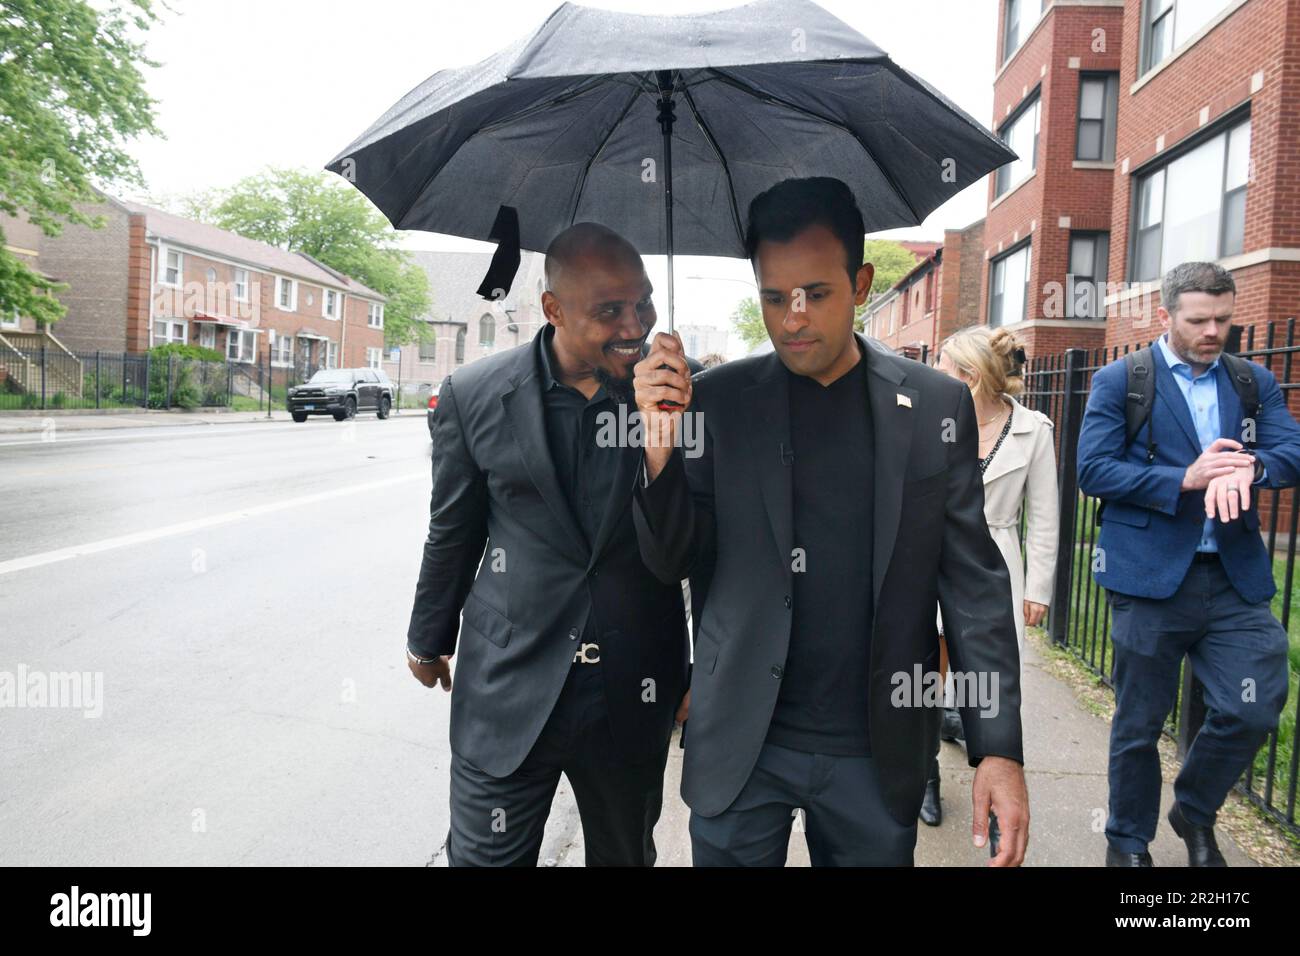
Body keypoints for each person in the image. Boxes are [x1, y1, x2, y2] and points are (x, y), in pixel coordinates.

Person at [632, 177, 1029, 866]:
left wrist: (998, 748)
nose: (793, 317)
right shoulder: (716, 403)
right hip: (743, 745)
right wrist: (659, 449)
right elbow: (669, 562)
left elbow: (973, 585)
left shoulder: (936, 405)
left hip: (875, 753)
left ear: (862, 282)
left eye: (816, 293)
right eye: (774, 296)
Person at [405, 222, 690, 866]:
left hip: (632, 690)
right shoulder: (473, 395)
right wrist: (428, 636)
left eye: (643, 302)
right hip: (508, 687)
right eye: (609, 310)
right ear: (553, 309)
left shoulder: (680, 391)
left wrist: (661, 441)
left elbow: (684, 557)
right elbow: (453, 531)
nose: (635, 324)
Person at [1077, 261, 1300, 867]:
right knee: (1140, 722)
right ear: (1166, 314)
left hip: (1232, 578)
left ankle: (1195, 809)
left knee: (1253, 705)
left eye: (1223, 320)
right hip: (1149, 579)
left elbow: (1290, 450)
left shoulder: (1252, 383)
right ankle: (1127, 841)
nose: (1212, 332)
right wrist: (1185, 478)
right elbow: (1093, 470)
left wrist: (1252, 468)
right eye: (1198, 320)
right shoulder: (1123, 380)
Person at [923, 326, 1059, 826]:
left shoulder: (1033, 429)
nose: (934, 370)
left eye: (943, 361)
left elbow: (1044, 517)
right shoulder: (930, 419)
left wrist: (1038, 589)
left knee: (987, 680)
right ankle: (926, 775)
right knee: (923, 678)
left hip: (995, 561)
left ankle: (997, 774)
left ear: (970, 377)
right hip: (929, 561)